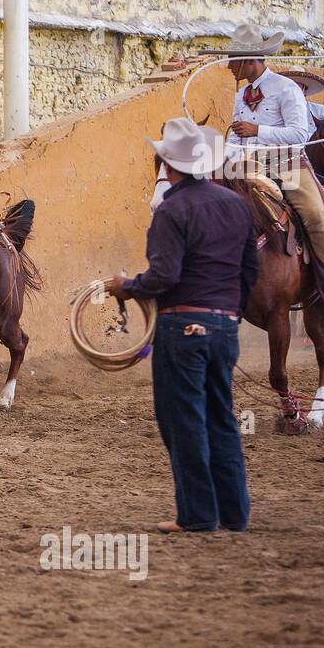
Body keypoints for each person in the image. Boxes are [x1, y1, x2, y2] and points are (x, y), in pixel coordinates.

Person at [108, 118, 259, 533]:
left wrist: (127, 287)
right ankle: (234, 513)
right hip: (224, 327)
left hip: (182, 329)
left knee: (184, 418)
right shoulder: (237, 206)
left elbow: (164, 278)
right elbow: (250, 270)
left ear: (167, 166)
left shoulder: (171, 210)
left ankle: (197, 514)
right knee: (221, 417)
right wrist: (230, 313)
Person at [201, 22, 324, 312]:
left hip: (288, 166)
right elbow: (236, 135)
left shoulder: (286, 88)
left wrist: (257, 131)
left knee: (315, 214)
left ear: (248, 60)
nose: (229, 67)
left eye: (232, 61)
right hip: (249, 167)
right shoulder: (240, 96)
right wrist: (221, 150)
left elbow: (300, 133)